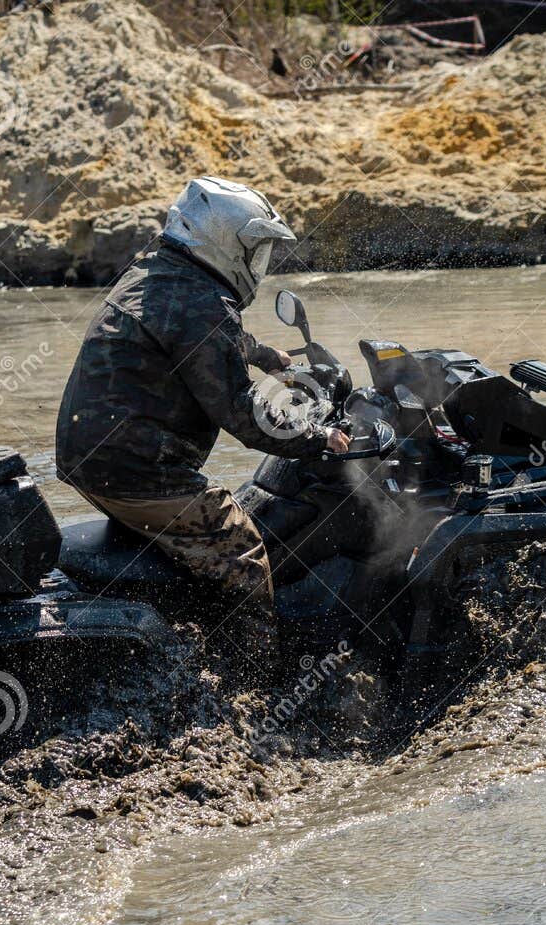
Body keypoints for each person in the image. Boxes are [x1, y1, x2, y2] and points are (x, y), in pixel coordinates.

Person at [55, 176, 349, 618]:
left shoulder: (154, 273)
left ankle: (190, 624)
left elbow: (194, 336)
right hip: (138, 474)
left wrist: (264, 355)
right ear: (227, 243)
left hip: (90, 462)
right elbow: (243, 414)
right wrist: (317, 437)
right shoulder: (203, 303)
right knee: (242, 550)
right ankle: (251, 661)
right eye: (255, 250)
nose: (257, 261)